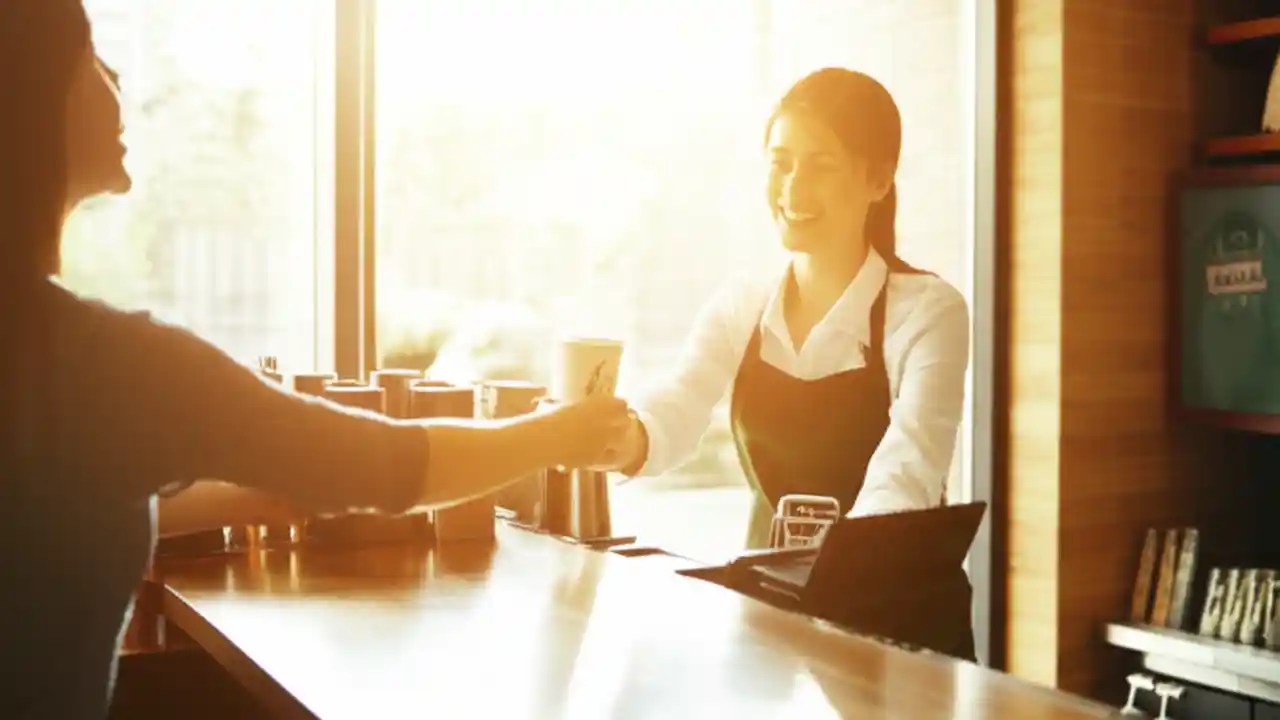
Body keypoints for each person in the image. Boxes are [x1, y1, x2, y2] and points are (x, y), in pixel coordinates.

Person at [0, 2, 630, 718]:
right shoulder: (110, 363)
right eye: (90, 57)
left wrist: (254, 495)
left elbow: (41, 503)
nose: (114, 80)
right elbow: (392, 464)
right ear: (32, 95)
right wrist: (559, 435)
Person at [596, 68, 973, 656]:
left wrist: (841, 576)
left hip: (899, 625)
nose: (793, 188)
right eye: (780, 162)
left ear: (878, 179)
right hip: (775, 619)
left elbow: (910, 467)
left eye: (821, 165)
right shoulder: (743, 304)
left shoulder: (928, 311)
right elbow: (679, 402)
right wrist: (622, 439)